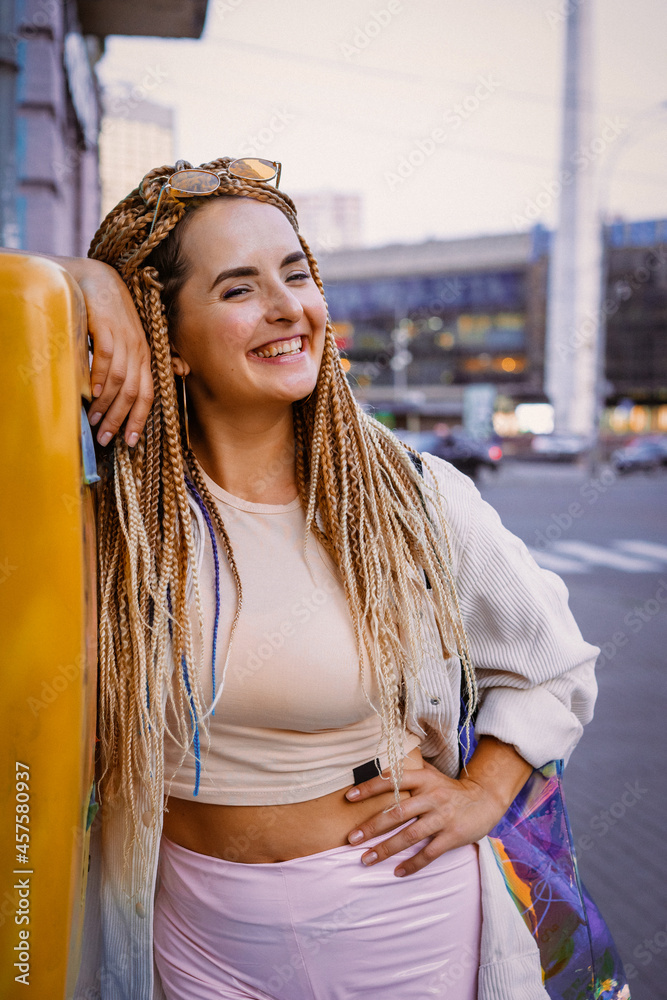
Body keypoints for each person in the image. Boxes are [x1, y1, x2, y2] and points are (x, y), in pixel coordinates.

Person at [41, 156, 598, 1000]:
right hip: (193, 938)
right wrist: (79, 282)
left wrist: (482, 794)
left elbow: (551, 661)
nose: (287, 307)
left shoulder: (404, 496)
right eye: (238, 288)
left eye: (296, 275)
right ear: (167, 338)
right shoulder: (117, 509)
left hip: (395, 924)